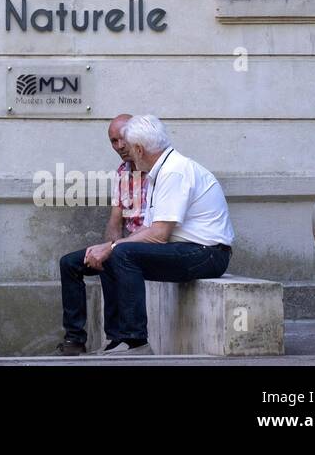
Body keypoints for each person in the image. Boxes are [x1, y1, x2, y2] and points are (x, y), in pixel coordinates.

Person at [74, 114, 234, 356]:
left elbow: (159, 235)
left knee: (122, 253)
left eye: (128, 146)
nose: (124, 151)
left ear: (139, 149)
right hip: (188, 249)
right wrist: (110, 247)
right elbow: (151, 231)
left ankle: (136, 342)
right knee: (114, 254)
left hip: (208, 254)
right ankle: (119, 340)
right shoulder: (160, 172)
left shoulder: (174, 172)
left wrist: (114, 246)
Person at [55, 114, 146, 356]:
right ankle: (74, 341)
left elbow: (159, 228)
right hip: (127, 245)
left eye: (122, 139)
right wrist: (109, 245)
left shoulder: (156, 172)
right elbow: (116, 220)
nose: (119, 146)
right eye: (113, 141)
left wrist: (114, 249)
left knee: (116, 257)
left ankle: (119, 338)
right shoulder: (123, 172)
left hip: (149, 246)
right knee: (70, 263)